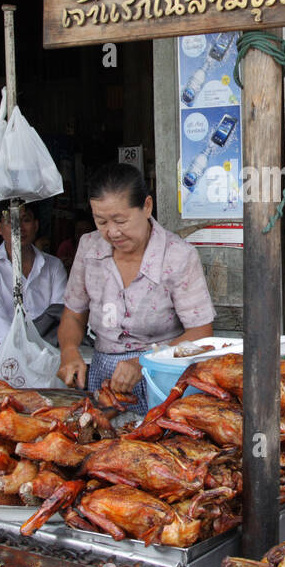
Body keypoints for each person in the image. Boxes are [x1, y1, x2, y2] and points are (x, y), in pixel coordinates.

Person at [57, 163, 215, 411]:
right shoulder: (89, 248)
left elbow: (201, 331)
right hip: (103, 380)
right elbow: (74, 314)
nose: (112, 232)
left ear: (147, 206)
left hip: (163, 379)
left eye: (120, 220)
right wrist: (68, 350)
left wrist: (145, 362)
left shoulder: (177, 256)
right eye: (101, 221)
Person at [0, 201, 68, 358]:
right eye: (11, 222)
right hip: (7, 354)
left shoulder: (53, 266)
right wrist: (18, 348)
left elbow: (59, 314)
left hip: (49, 354)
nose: (19, 228)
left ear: (36, 225)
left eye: (26, 220)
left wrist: (38, 349)